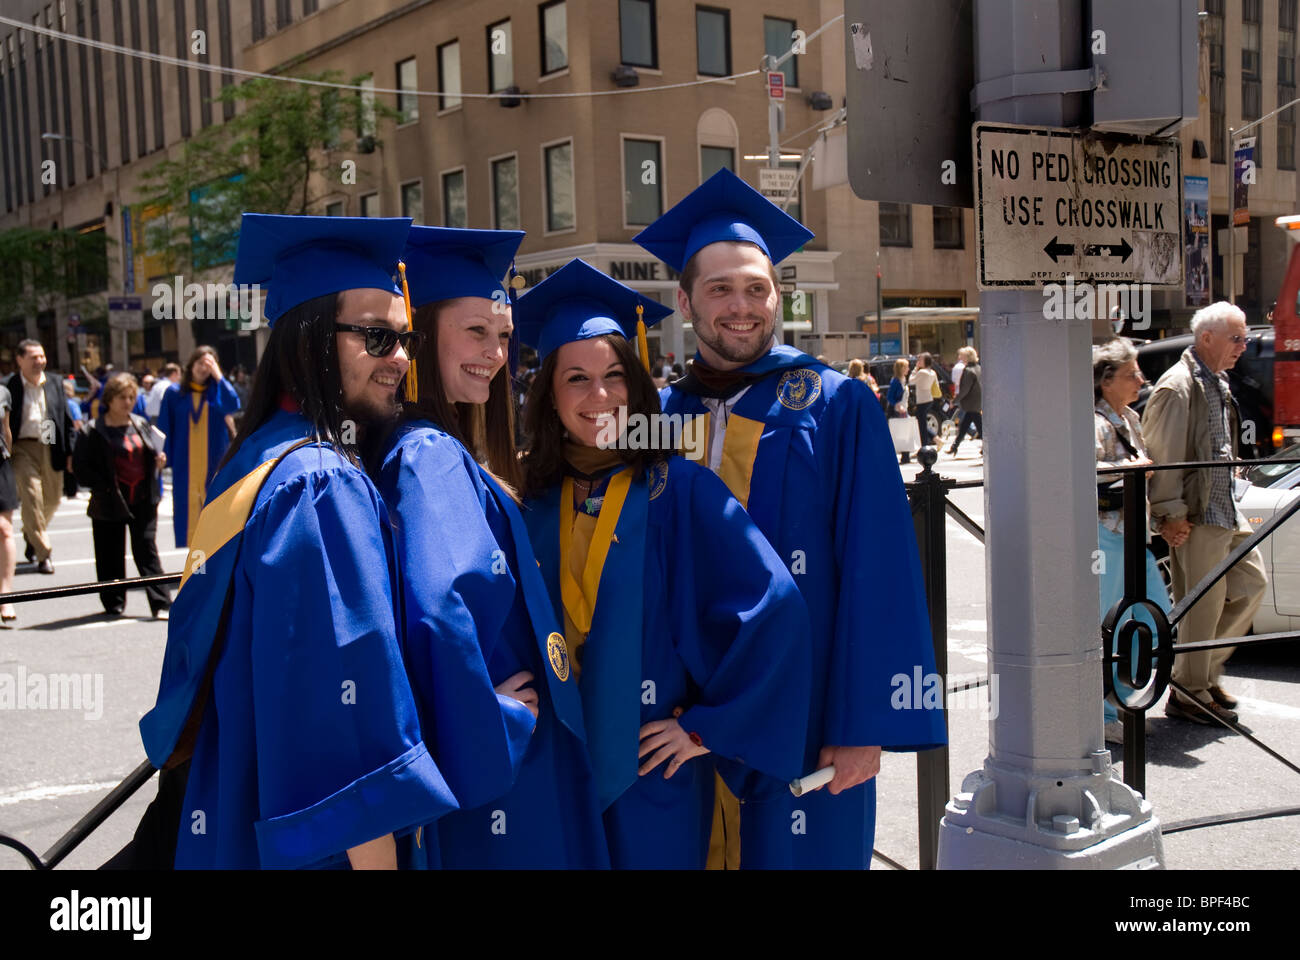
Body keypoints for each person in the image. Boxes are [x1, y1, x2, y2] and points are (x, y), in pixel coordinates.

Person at [638, 167, 945, 869]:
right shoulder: (658, 418)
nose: (741, 306)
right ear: (685, 301)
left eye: (757, 288)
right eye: (719, 289)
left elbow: (880, 575)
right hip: (680, 730)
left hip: (807, 726)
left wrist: (861, 726)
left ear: (780, 297)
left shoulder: (836, 408)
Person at [135, 213, 457, 869]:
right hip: (320, 842)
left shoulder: (251, 460)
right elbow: (347, 713)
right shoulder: (320, 483)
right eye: (375, 337)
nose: (398, 358)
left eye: (404, 339)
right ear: (309, 336)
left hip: (240, 793)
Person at [516, 258, 811, 869]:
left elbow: (773, 610)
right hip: (550, 772)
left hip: (652, 774)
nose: (599, 396)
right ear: (548, 395)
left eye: (615, 376)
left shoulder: (679, 490)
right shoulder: (526, 497)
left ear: (638, 386)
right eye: (576, 379)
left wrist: (708, 728)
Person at [372, 226, 606, 868]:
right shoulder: (427, 453)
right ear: (420, 333)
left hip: (492, 756)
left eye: (503, 336)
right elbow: (439, 613)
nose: (496, 353)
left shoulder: (417, 446)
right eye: (475, 332)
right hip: (504, 759)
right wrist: (490, 717)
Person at [1143, 302, 1268, 725]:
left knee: (1252, 586)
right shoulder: (1178, 386)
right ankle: (1189, 692)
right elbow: (1164, 456)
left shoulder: (1215, 379)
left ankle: (1198, 673)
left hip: (1224, 507)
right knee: (1202, 605)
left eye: (1244, 338)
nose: (1243, 346)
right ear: (1207, 338)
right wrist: (1169, 513)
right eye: (1236, 338)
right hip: (1197, 513)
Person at [1093, 338, 1170, 744]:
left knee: (1157, 612)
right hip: (1107, 533)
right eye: (1132, 374)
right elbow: (1083, 466)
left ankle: (1124, 694)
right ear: (1107, 381)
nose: (1141, 379)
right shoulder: (1097, 422)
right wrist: (1130, 467)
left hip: (1134, 532)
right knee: (1110, 622)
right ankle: (1103, 712)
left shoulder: (1131, 420)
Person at [72, 373, 172, 620]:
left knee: (146, 550)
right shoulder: (92, 430)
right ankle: (113, 602)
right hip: (109, 500)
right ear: (110, 399)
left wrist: (159, 462)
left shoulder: (141, 423)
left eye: (131, 397)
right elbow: (80, 468)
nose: (128, 402)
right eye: (122, 397)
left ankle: (161, 603)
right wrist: (103, 486)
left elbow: (154, 455)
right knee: (109, 554)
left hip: (143, 497)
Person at [157, 346, 241, 549]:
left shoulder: (217, 392)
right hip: (185, 465)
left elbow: (233, 404)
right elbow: (164, 426)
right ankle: (197, 572)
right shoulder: (174, 393)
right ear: (191, 365)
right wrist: (162, 455)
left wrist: (219, 375)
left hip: (214, 463)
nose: (204, 368)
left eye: (209, 364)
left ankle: (208, 574)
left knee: (215, 522)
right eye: (201, 363)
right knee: (190, 523)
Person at [5, 340, 75, 575]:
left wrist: (70, 452)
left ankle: (30, 532)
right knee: (32, 496)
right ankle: (44, 553)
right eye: (34, 357)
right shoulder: (9, 386)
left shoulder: (54, 382)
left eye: (42, 357)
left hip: (49, 439)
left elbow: (64, 419)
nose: (39, 362)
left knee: (53, 498)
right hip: (21, 447)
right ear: (20, 360)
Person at [0, 381, 17, 625]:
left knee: (5, 528)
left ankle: (5, 596)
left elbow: (6, 428)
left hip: (1, 463)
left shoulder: (3, 392)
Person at [948, 346, 982, 456]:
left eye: (961, 355)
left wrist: (955, 400)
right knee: (965, 424)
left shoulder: (968, 371)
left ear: (967, 357)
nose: (959, 357)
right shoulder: (978, 368)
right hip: (977, 400)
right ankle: (955, 446)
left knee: (978, 426)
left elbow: (965, 389)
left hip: (971, 402)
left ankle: (987, 446)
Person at [886, 357, 917, 464]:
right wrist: (897, 405)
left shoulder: (902, 379)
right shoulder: (895, 381)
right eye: (906, 367)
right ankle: (903, 456)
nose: (908, 369)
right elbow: (889, 397)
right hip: (897, 411)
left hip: (903, 409)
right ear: (902, 368)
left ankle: (905, 456)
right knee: (900, 433)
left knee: (905, 433)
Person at [909, 351, 939, 447]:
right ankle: (933, 440)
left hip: (922, 400)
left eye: (920, 359)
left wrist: (915, 369)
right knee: (922, 422)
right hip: (929, 399)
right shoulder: (932, 372)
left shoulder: (922, 372)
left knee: (921, 424)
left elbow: (911, 381)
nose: (918, 361)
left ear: (925, 360)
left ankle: (930, 442)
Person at [63, 378, 84, 499]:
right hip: (72, 437)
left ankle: (66, 488)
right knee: (72, 462)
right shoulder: (72, 404)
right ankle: (72, 490)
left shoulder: (57, 403)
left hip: (59, 437)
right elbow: (77, 422)